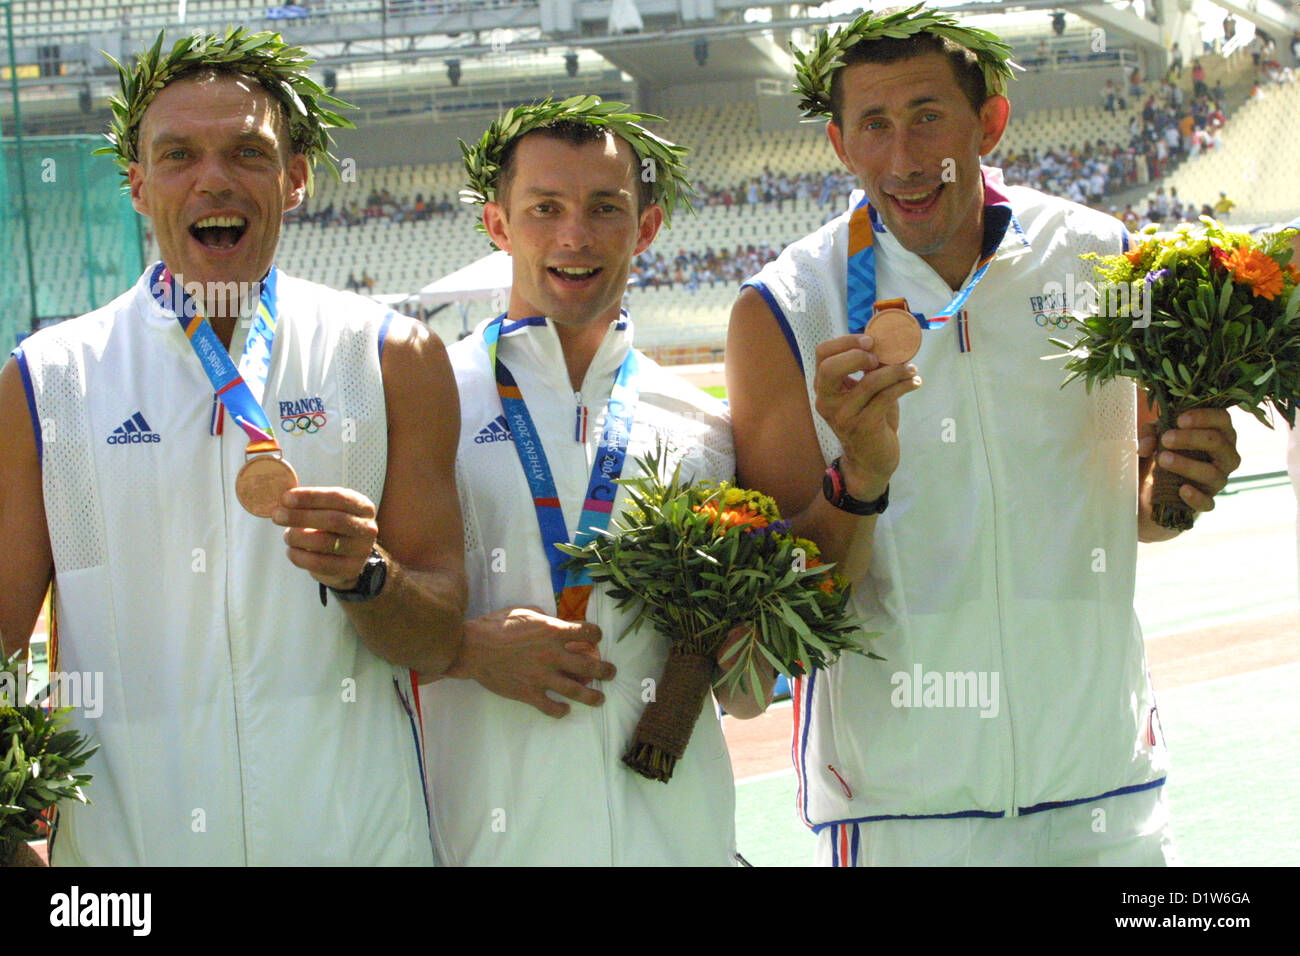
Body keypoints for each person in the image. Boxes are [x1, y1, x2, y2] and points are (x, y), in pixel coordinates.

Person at [726, 6, 1242, 866]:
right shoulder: (783, 309)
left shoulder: (1104, 258)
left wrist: (1180, 486)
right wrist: (859, 475)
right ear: (840, 143)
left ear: (991, 120)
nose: (905, 159)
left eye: (928, 116)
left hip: (1102, 788)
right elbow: (791, 612)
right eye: (875, 126)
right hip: (904, 810)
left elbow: (1135, 513)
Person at [0, 28, 466, 865]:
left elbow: (435, 636)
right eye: (178, 155)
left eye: (247, 152)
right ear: (138, 185)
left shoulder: (394, 357)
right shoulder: (48, 380)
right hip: (123, 869)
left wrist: (370, 578)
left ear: (294, 180)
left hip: (358, 847)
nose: (213, 178)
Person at [420, 98, 759, 865]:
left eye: (605, 208)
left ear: (646, 228)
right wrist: (466, 649)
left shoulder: (700, 427)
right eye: (545, 208)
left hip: (680, 843)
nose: (575, 235)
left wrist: (741, 643)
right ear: (499, 226)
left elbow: (745, 691)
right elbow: (358, 619)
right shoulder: (426, 403)